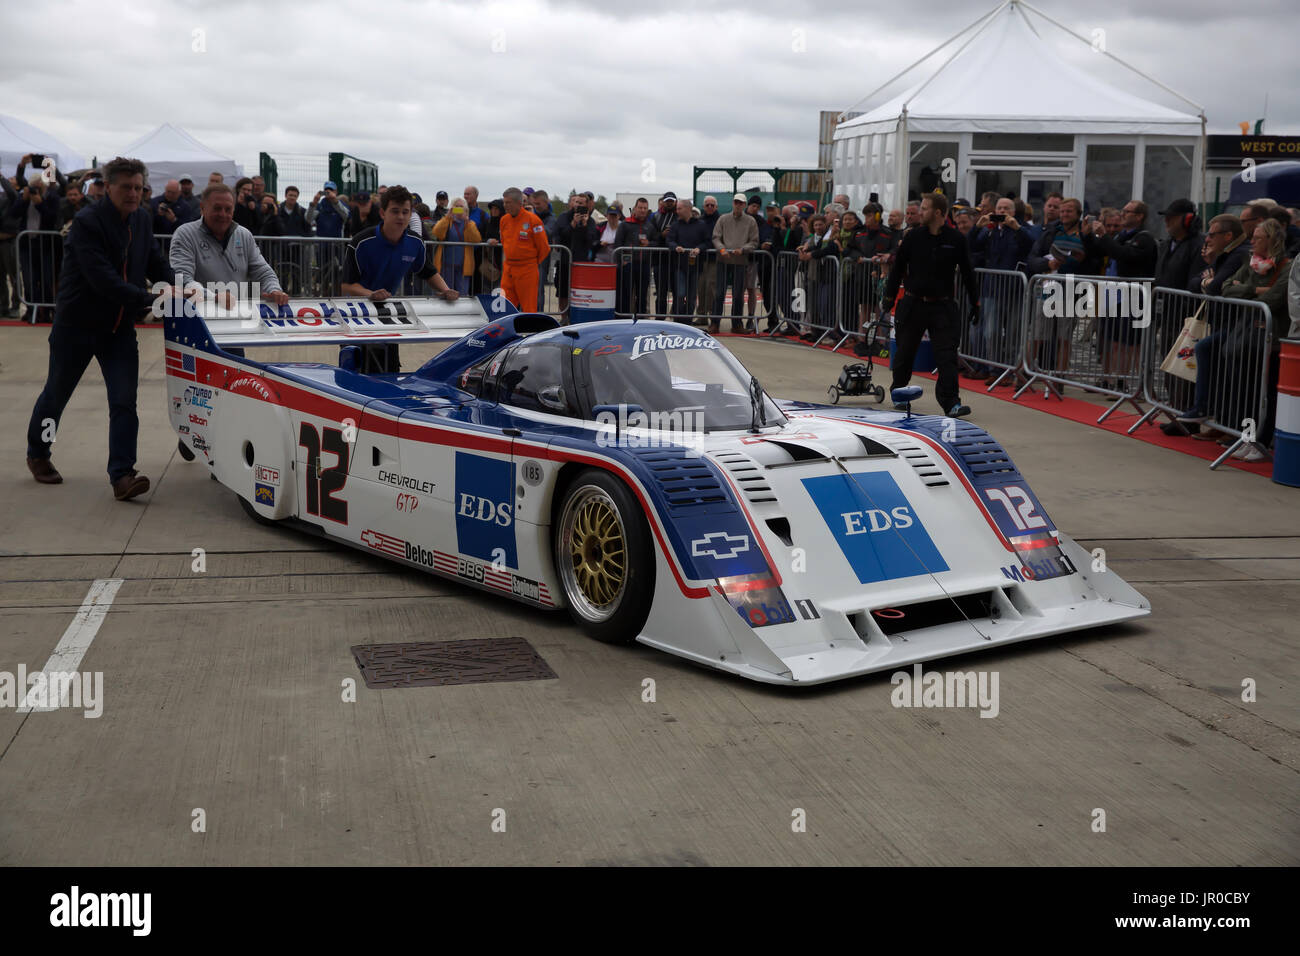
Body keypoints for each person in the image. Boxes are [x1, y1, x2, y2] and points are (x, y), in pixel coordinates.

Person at [25, 157, 176, 498]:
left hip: (118, 329)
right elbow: (102, 280)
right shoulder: (87, 222)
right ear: (107, 188)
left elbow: (155, 261)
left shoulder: (141, 219)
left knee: (124, 401)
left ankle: (122, 475)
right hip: (75, 327)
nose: (134, 194)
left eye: (138, 188)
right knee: (56, 396)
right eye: (126, 187)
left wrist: (183, 286)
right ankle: (39, 452)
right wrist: (151, 298)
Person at [340, 185, 458, 372]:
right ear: (382, 213)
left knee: (390, 370)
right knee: (355, 374)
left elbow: (428, 272)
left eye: (406, 212)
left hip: (388, 315)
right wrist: (371, 294)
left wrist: (445, 290)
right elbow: (346, 286)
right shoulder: (361, 242)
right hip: (356, 316)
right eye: (395, 211)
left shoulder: (415, 243)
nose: (401, 217)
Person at [883, 192, 979, 418]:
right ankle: (899, 392)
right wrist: (888, 299)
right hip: (913, 303)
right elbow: (897, 269)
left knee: (946, 355)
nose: (920, 212)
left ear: (937, 213)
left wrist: (976, 302)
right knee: (905, 352)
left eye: (924, 209)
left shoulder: (955, 240)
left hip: (943, 307)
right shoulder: (913, 237)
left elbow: (967, 273)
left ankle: (951, 403)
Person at [169, 182, 290, 311]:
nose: (223, 214)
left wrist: (274, 289)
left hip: (236, 316)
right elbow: (181, 278)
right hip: (198, 316)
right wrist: (213, 297)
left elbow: (262, 271)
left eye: (228, 209)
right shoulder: (185, 234)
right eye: (217, 208)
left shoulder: (244, 235)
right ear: (202, 208)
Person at [497, 187, 551, 311]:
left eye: (508, 202)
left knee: (528, 307)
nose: (505, 205)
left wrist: (530, 264)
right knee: (504, 307)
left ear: (518, 203)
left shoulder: (533, 220)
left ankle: (530, 330)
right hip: (509, 269)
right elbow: (505, 243)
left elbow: (544, 248)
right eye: (504, 202)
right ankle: (507, 329)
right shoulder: (504, 220)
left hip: (527, 269)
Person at [711, 194, 759, 333]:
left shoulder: (751, 221)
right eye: (736, 202)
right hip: (723, 261)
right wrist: (721, 249)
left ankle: (737, 324)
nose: (738, 205)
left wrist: (743, 249)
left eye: (741, 203)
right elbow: (716, 237)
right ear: (733, 203)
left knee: (738, 294)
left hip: (740, 261)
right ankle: (715, 323)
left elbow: (754, 241)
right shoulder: (723, 219)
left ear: (744, 205)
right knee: (719, 293)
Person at [666, 198, 711, 324]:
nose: (677, 211)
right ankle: (678, 320)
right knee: (680, 294)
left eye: (679, 208)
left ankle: (688, 321)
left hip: (695, 267)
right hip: (679, 266)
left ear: (688, 209)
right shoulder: (675, 225)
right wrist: (675, 246)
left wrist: (699, 249)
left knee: (691, 297)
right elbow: (669, 240)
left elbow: (708, 242)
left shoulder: (701, 225)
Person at [554, 193, 600, 315]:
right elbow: (561, 236)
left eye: (581, 203)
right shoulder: (564, 217)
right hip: (564, 261)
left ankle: (577, 316)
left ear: (587, 205)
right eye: (576, 202)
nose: (578, 205)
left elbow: (591, 240)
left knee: (580, 293)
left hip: (581, 263)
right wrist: (573, 224)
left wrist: (584, 225)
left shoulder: (590, 221)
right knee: (562, 292)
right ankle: (564, 317)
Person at [430, 197, 482, 295]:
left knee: (462, 293)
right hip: (446, 265)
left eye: (461, 207)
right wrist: (447, 217)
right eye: (456, 206)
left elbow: (476, 239)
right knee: (445, 292)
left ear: (466, 209)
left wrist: (467, 223)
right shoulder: (446, 221)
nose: (459, 208)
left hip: (463, 266)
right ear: (451, 208)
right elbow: (437, 232)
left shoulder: (470, 223)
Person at [615, 197, 656, 316]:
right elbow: (618, 244)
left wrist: (649, 243)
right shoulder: (625, 224)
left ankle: (641, 319)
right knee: (625, 294)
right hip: (627, 264)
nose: (642, 210)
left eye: (645, 208)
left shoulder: (650, 226)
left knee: (642, 294)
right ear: (635, 208)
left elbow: (656, 242)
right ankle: (623, 319)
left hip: (644, 264)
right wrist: (621, 261)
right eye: (640, 208)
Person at [696, 196, 721, 323]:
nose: (710, 207)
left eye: (712, 205)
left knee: (712, 287)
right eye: (707, 205)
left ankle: (712, 314)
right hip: (702, 258)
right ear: (704, 206)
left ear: (716, 206)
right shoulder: (700, 220)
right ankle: (701, 315)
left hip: (715, 258)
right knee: (701, 287)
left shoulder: (721, 220)